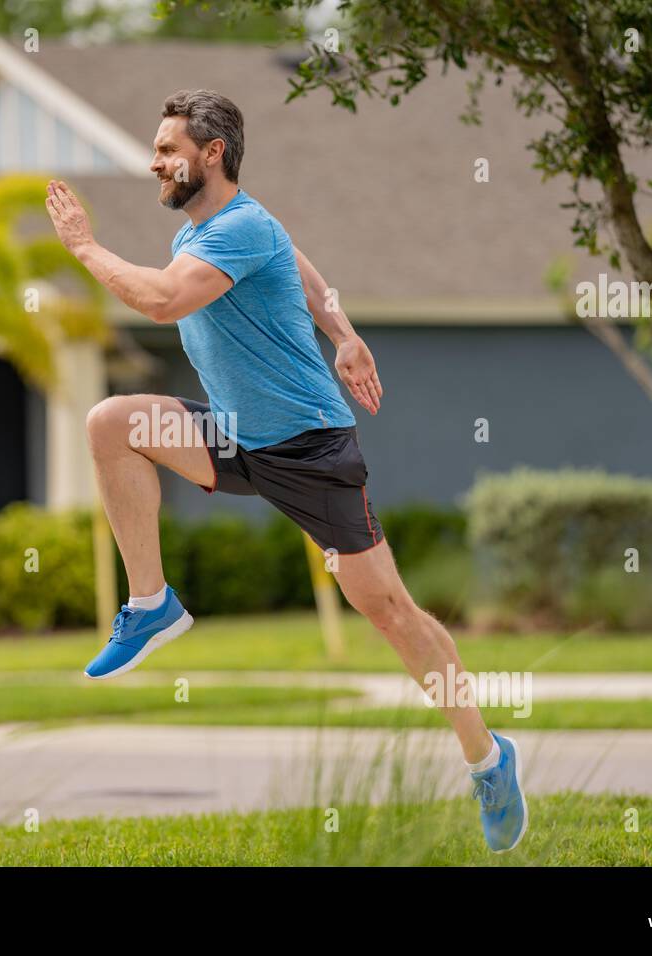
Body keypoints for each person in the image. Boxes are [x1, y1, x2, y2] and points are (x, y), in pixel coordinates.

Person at [44, 88, 526, 853]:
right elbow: (298, 263)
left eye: (169, 148)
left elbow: (165, 303)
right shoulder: (227, 227)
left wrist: (82, 246)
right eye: (156, 147)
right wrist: (343, 331)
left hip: (310, 450)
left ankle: (488, 759)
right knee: (112, 424)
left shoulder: (232, 229)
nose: (154, 161)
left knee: (391, 613)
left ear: (213, 155)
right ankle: (151, 602)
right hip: (234, 435)